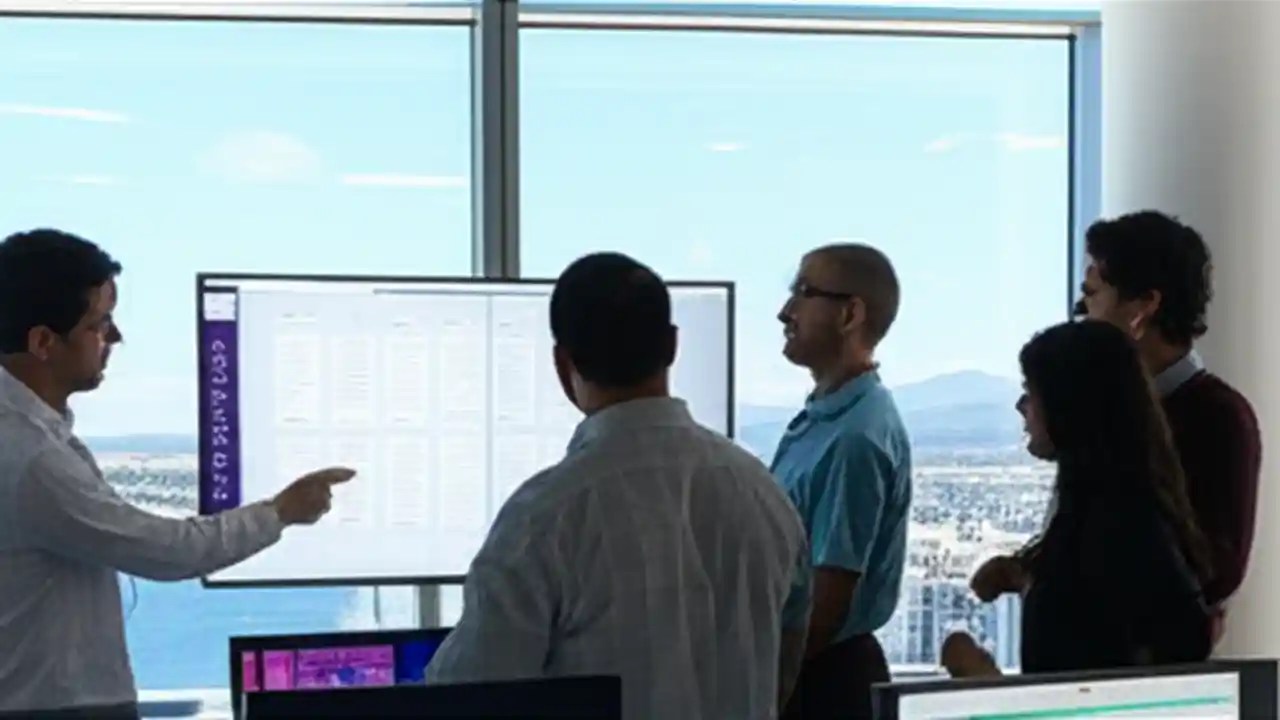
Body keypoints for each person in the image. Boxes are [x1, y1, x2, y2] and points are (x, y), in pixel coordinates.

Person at [426, 252, 812, 720]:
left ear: (561, 362)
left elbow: (466, 695)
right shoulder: (763, 493)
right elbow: (787, 666)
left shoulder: (544, 516)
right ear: (672, 347)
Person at [0, 229, 355, 719]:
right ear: (43, 341)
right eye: (99, 324)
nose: (116, 338)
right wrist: (281, 512)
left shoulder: (30, 435)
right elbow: (166, 551)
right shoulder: (31, 457)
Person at [971, 211, 1261, 644]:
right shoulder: (1110, 409)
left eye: (1092, 296)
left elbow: (1214, 571)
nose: (1082, 314)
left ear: (1143, 308)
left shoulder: (1218, 417)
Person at [945, 321, 1212, 676]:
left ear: (1067, 404)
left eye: (1032, 391)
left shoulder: (1113, 532)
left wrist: (979, 678)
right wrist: (1024, 574)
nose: (1021, 406)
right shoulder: (1134, 515)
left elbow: (1080, 691)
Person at [770, 243, 912, 720]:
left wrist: (758, 689)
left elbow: (826, 600)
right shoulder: (827, 417)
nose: (784, 312)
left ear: (850, 313)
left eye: (803, 294)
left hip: (822, 682)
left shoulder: (856, 437)